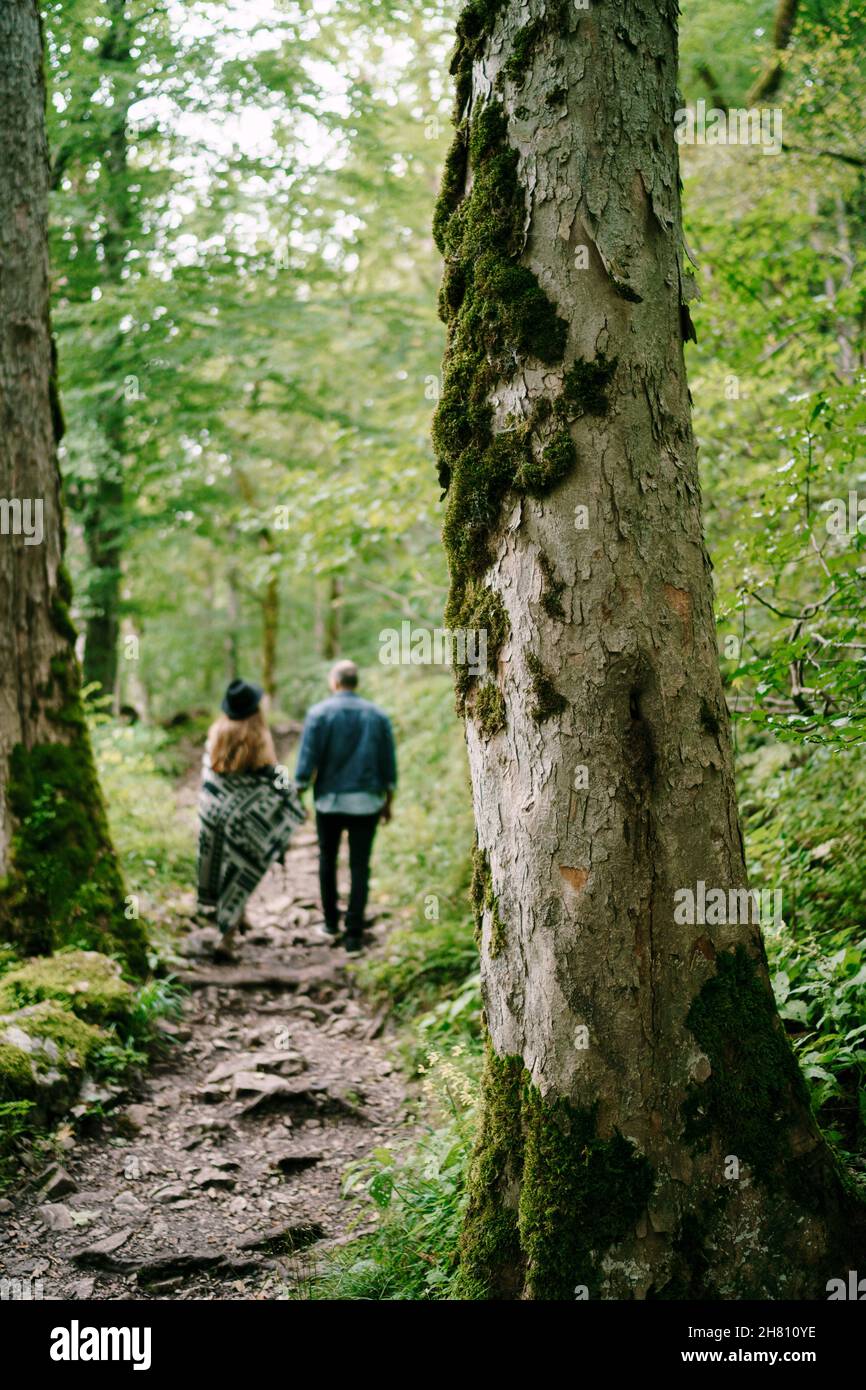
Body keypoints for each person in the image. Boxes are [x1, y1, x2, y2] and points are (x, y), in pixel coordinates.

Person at [197, 679, 305, 961]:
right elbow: (271, 773)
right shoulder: (257, 735)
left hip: (214, 813)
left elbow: (209, 775)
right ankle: (226, 938)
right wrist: (292, 793)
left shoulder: (216, 731)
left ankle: (238, 915)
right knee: (241, 865)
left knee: (224, 868)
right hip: (245, 819)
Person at [295, 659, 397, 953]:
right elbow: (387, 763)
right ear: (356, 683)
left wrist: (299, 791)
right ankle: (354, 935)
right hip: (367, 802)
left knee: (327, 860)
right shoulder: (377, 716)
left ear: (335, 682)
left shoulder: (319, 713)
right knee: (359, 865)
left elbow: (307, 759)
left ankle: (329, 923)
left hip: (330, 801)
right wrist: (388, 802)